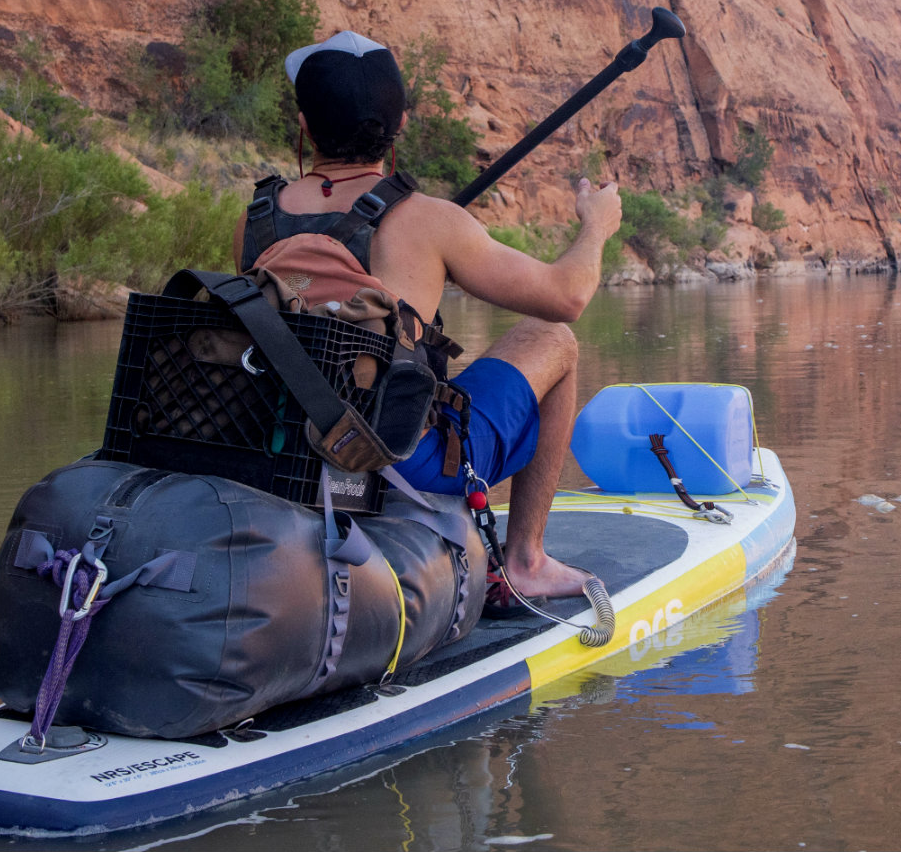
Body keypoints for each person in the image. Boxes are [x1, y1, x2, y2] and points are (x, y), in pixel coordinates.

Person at [232, 30, 621, 601]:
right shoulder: (428, 221)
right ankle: (525, 560)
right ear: (401, 124)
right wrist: (597, 225)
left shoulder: (256, 220)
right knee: (553, 338)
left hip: (283, 448)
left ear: (305, 126)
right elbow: (568, 297)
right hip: (397, 461)